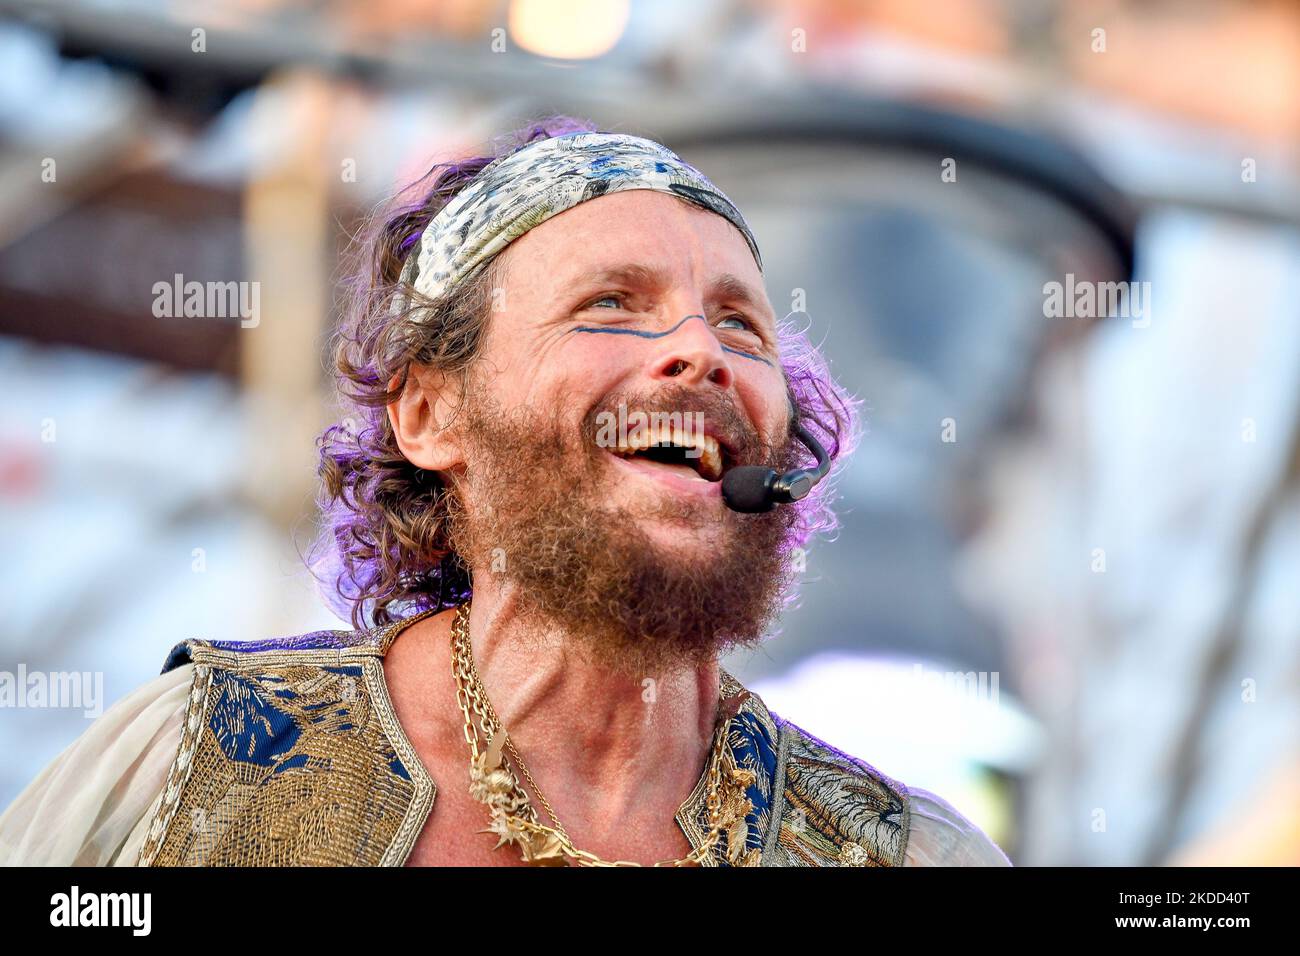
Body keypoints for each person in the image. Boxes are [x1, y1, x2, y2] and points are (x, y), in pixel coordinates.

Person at [0, 116, 1010, 867]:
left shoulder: (902, 853)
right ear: (430, 415)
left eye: (740, 324)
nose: (701, 351)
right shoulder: (194, 763)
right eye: (611, 304)